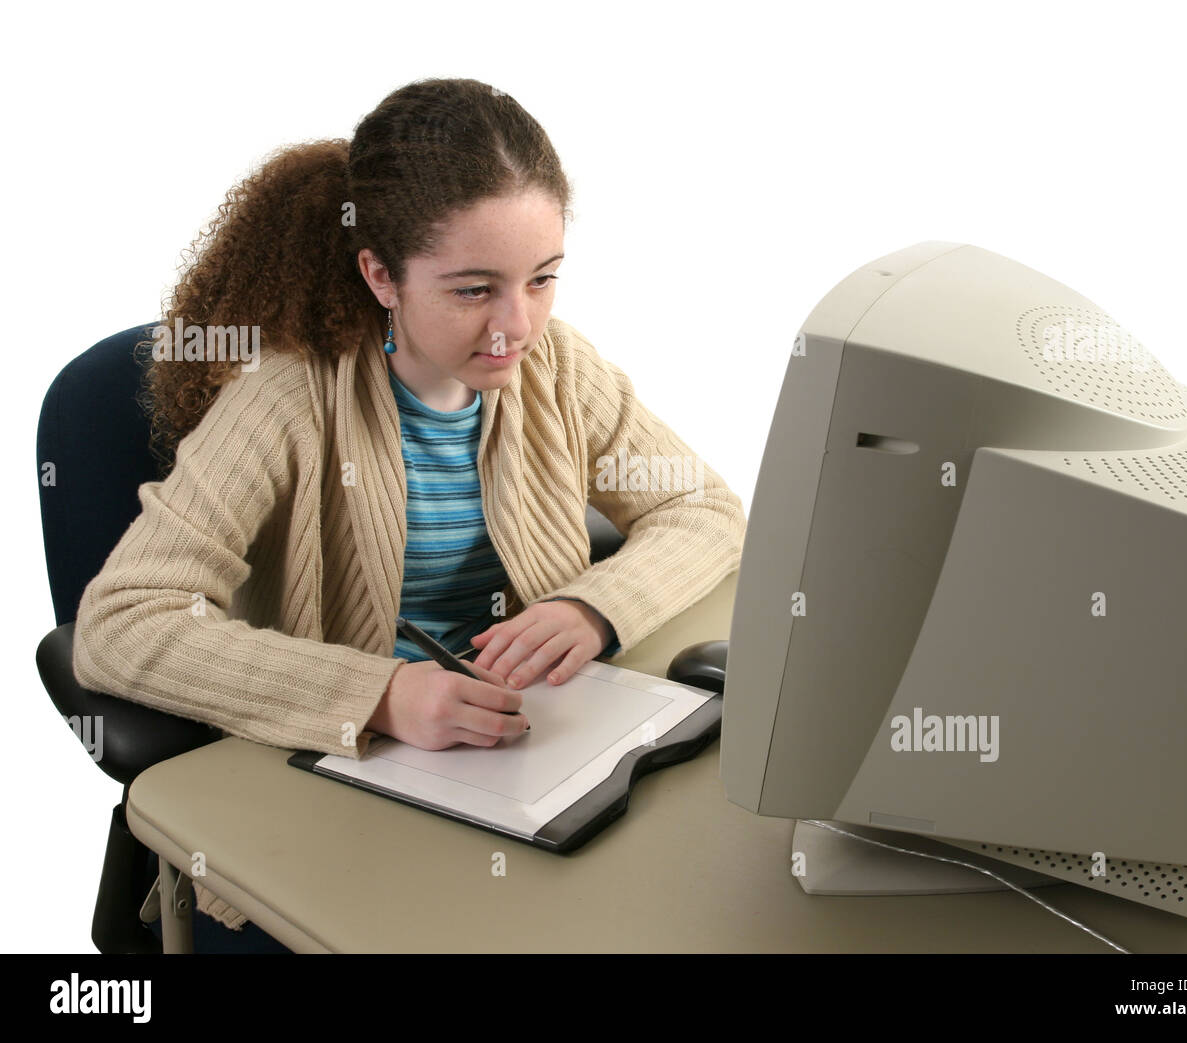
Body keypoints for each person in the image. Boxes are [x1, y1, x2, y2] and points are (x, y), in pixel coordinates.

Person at [73, 77, 746, 952]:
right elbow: (120, 621)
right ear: (381, 273)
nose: (519, 326)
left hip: (531, 746)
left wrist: (594, 605)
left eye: (542, 279)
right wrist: (379, 693)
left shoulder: (560, 369)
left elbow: (704, 506)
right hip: (345, 764)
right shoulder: (284, 401)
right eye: (475, 290)